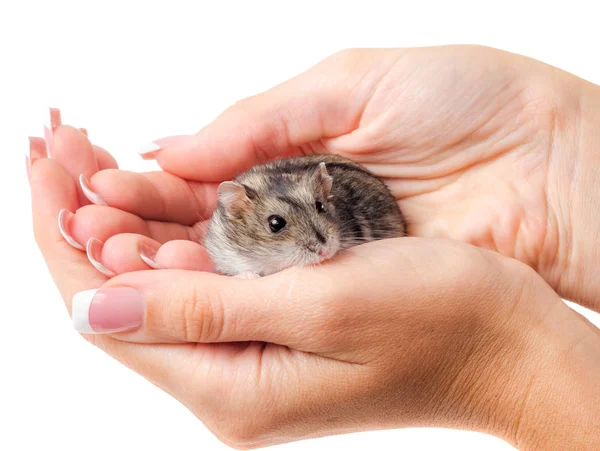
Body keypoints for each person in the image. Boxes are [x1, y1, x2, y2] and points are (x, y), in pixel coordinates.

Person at [28, 46, 600, 450]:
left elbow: (328, 225)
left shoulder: (338, 212)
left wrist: (502, 365)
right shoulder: (229, 226)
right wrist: (563, 149)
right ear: (240, 215)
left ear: (325, 197)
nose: (319, 240)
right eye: (280, 227)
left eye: (321, 212)